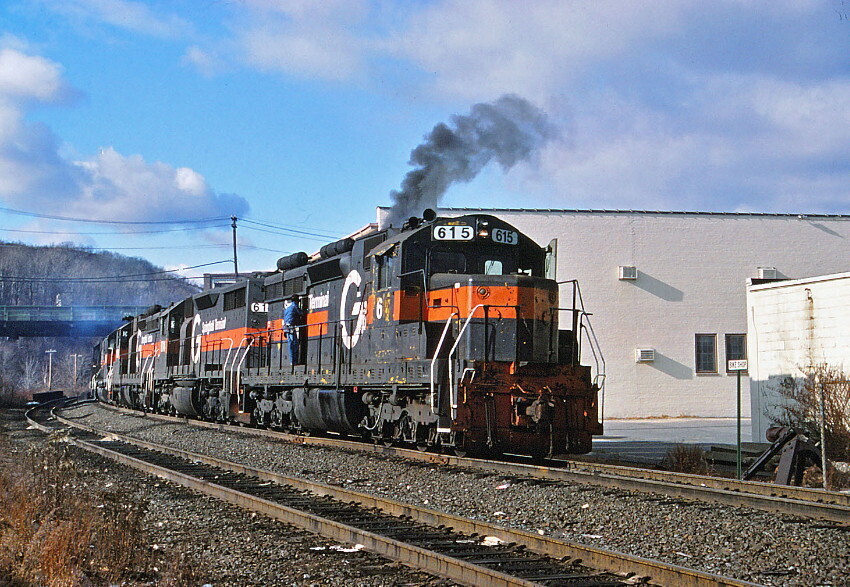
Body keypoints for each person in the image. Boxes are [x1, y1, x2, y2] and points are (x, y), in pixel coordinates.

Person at [283, 298, 305, 365]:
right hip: (291, 327)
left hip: (286, 327)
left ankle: (291, 361)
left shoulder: (287, 308)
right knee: (294, 344)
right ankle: (294, 361)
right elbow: (301, 313)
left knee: (290, 344)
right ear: (296, 301)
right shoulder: (295, 306)